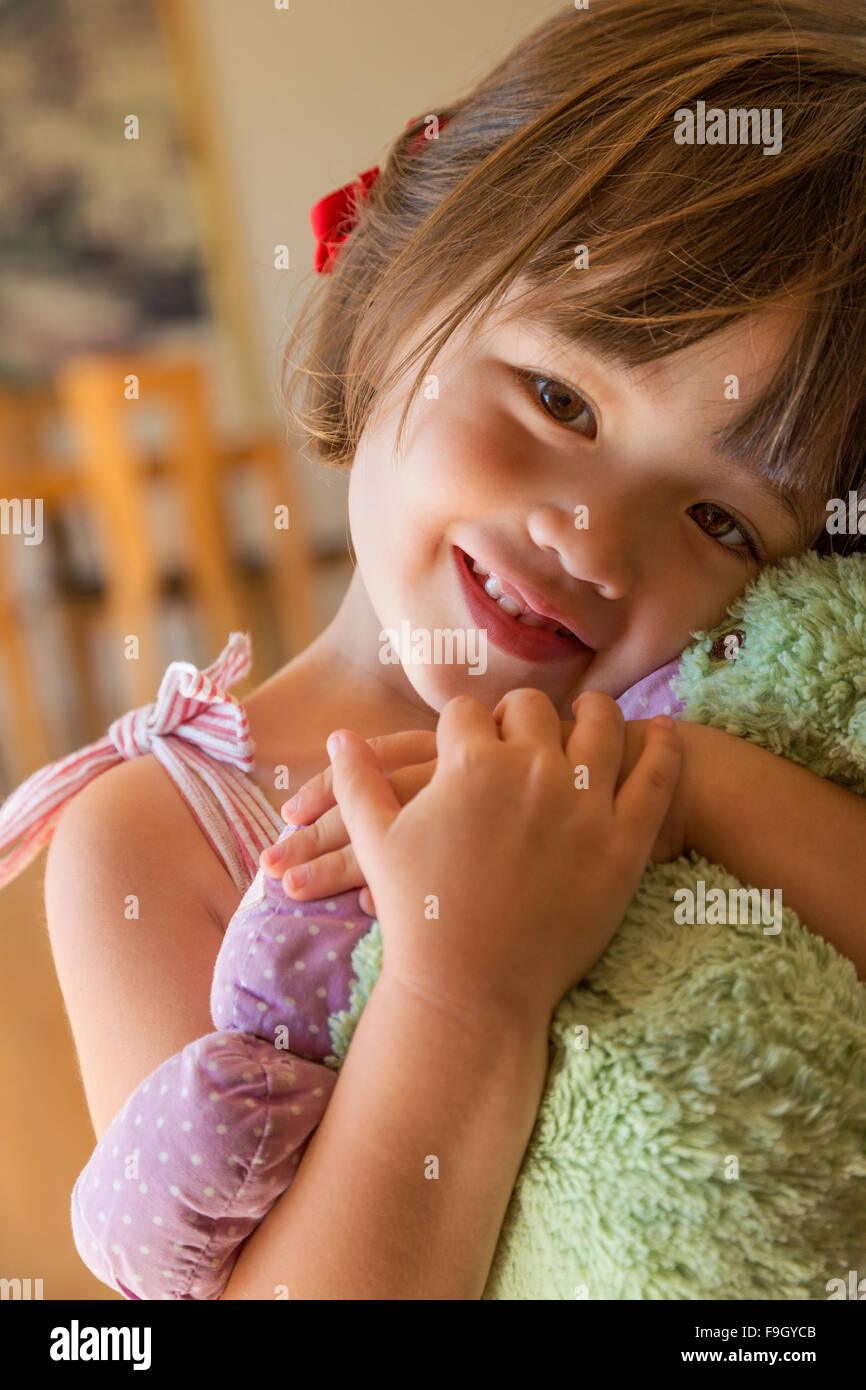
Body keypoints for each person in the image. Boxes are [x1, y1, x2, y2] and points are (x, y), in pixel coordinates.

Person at [4, 0, 866, 1299]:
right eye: (561, 399)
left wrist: (678, 780)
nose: (590, 539)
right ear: (387, 303)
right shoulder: (160, 834)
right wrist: (467, 984)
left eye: (719, 520)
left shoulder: (720, 731)